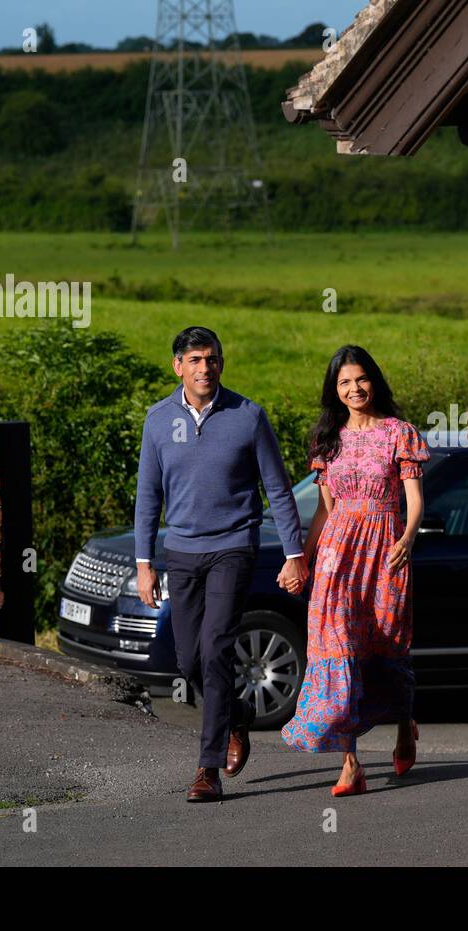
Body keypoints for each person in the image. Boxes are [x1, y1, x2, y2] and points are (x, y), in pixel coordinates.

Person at [134, 326, 308, 802]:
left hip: (234, 546)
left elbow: (277, 487)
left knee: (216, 650)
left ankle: (206, 769)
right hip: (181, 552)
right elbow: (148, 496)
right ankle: (236, 715)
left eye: (211, 359)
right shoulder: (156, 420)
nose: (204, 368)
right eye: (195, 360)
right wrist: (144, 562)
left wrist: (295, 554)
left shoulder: (248, 416)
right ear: (178, 366)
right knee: (188, 658)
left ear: (221, 364)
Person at [280, 345, 430, 795]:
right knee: (337, 642)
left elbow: (414, 499)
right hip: (336, 551)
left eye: (360, 379)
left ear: (374, 381)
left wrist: (407, 537)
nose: (354, 388)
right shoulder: (329, 439)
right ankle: (351, 764)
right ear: (335, 390)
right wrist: (302, 558)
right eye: (344, 382)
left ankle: (405, 723)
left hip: (385, 545)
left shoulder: (398, 433)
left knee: (385, 640)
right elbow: (325, 511)